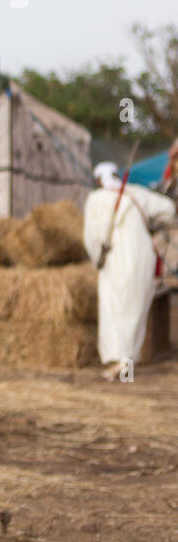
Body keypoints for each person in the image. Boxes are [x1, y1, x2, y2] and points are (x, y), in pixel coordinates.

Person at [82, 161, 175, 380]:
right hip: (143, 259)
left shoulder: (95, 199)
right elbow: (168, 209)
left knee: (114, 311)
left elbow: (93, 236)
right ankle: (127, 364)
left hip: (116, 260)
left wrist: (98, 258)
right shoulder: (135, 193)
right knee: (134, 312)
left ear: (97, 180)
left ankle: (119, 360)